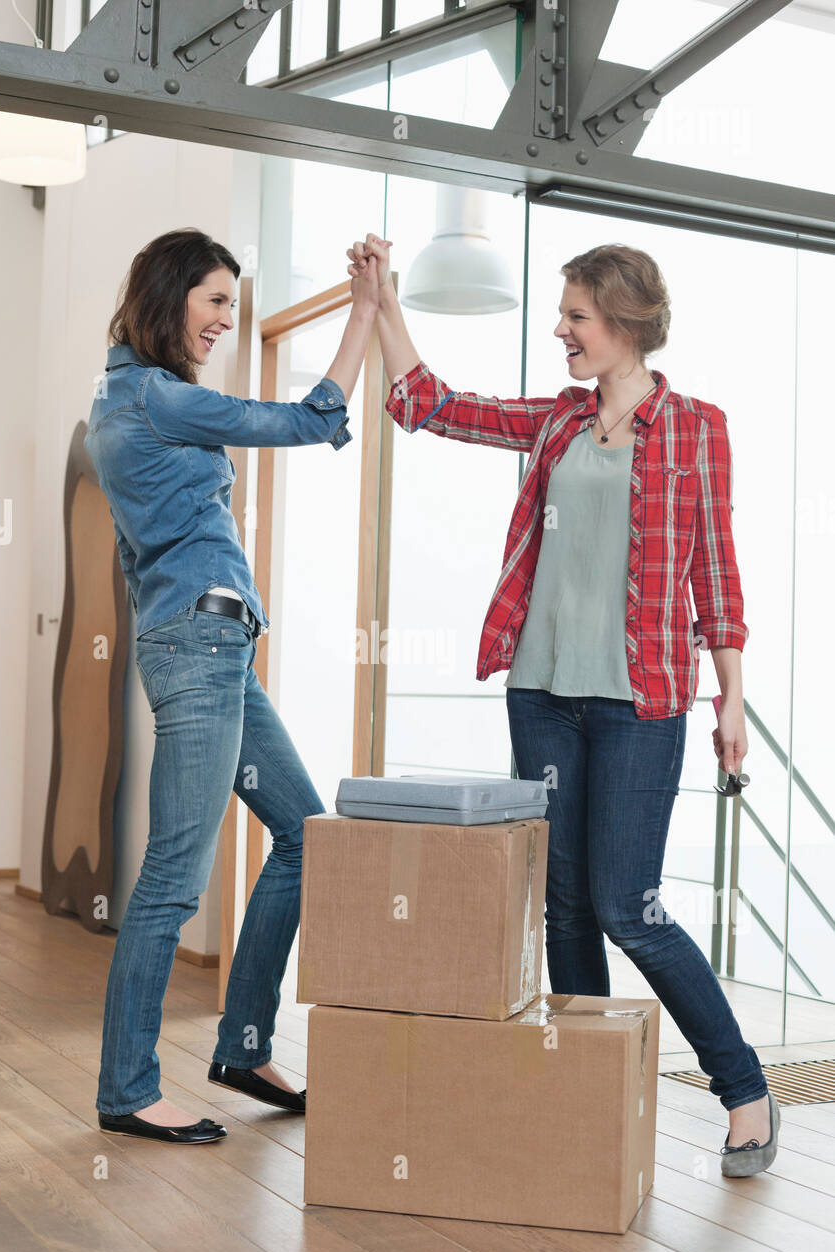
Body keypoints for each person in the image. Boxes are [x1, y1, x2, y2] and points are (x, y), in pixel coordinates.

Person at [348, 232, 779, 1178]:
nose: (561, 331)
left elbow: (717, 572)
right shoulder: (558, 422)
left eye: (575, 316)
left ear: (624, 323)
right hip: (542, 694)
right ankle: (590, 1097)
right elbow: (433, 405)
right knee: (567, 909)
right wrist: (381, 304)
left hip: (642, 702)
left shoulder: (699, 427)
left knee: (630, 906)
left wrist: (732, 698)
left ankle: (743, 1088)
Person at [87, 227, 378, 1143]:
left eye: (232, 305)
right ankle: (129, 1088)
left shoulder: (122, 397)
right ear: (170, 294)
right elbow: (305, 419)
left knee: (307, 834)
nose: (223, 320)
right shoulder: (157, 399)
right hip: (203, 647)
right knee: (175, 877)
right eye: (214, 301)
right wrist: (366, 312)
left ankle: (244, 1043)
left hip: (211, 647)